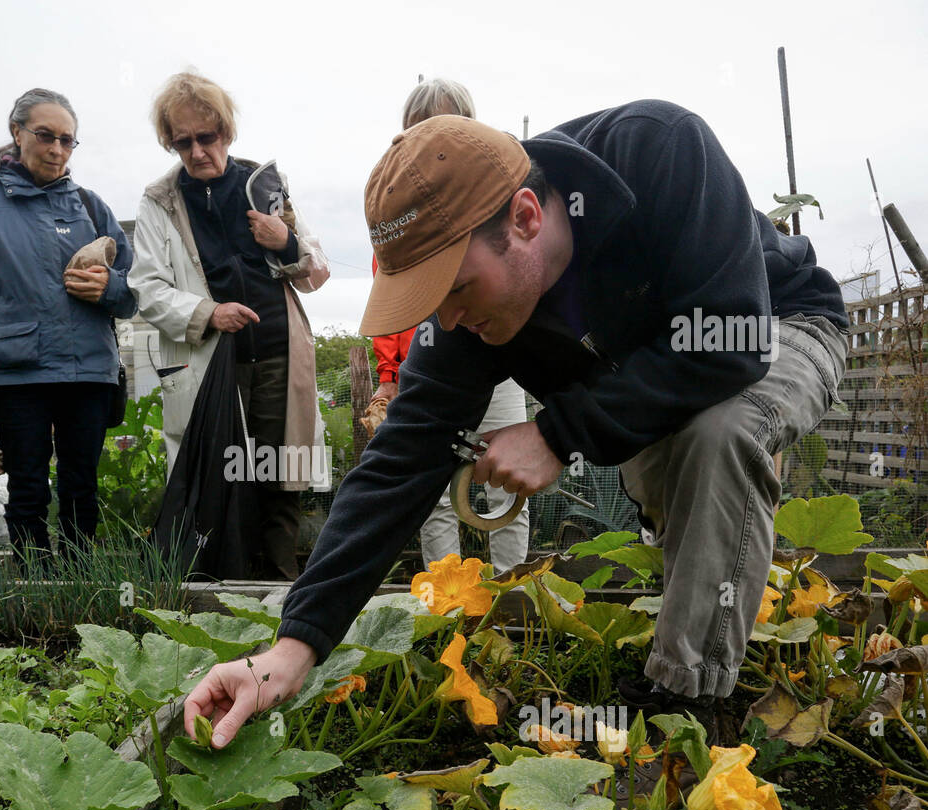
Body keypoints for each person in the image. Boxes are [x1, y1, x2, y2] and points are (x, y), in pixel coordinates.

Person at [185, 100, 848, 749]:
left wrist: (558, 435)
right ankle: (702, 626)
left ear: (525, 218)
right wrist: (295, 643)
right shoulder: (469, 314)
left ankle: (685, 708)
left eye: (457, 290)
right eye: (430, 302)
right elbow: (399, 463)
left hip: (777, 323)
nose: (445, 322)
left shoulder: (660, 149)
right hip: (651, 380)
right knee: (684, 482)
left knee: (718, 436)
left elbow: (729, 343)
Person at [128, 71, 330, 581]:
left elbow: (316, 272)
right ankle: (220, 587)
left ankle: (282, 587)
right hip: (211, 357)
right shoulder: (160, 201)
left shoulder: (263, 184)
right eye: (183, 142)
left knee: (282, 470)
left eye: (206, 137)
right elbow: (146, 287)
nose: (197, 152)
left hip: (280, 351)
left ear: (226, 132)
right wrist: (207, 314)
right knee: (219, 473)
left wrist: (284, 240)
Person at [0, 87, 136, 570]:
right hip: (15, 371)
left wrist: (106, 288)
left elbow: (133, 292)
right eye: (46, 136)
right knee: (27, 486)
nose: (57, 149)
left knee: (80, 486)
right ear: (17, 133)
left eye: (68, 141)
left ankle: (78, 587)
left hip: (88, 370)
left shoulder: (91, 207)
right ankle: (35, 591)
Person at [369, 78, 530, 572]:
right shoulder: (396, 212)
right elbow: (397, 311)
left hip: (496, 360)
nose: (426, 145)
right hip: (431, 362)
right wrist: (390, 375)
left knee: (508, 483)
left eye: (439, 127)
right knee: (433, 488)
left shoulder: (498, 192)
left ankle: (512, 594)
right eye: (416, 130)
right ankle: (447, 598)